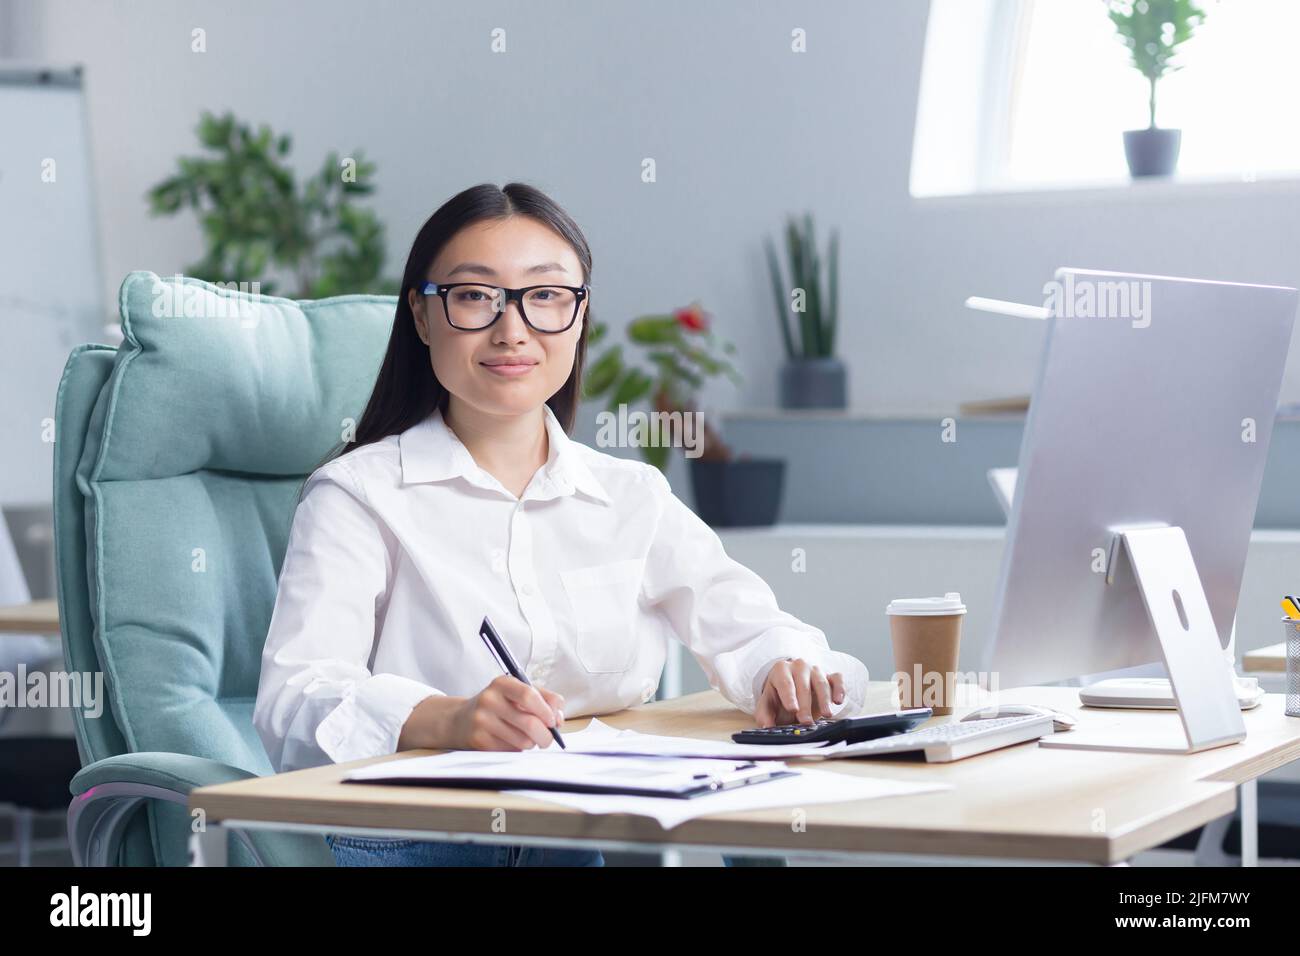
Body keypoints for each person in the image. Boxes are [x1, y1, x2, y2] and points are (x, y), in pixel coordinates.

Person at [252, 182, 870, 867]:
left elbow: (751, 626)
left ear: (578, 321)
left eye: (544, 297)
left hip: (591, 828)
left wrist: (783, 673)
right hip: (423, 837)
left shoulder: (629, 495)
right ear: (424, 317)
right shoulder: (358, 495)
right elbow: (294, 700)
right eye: (474, 295)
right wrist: (448, 719)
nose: (511, 329)